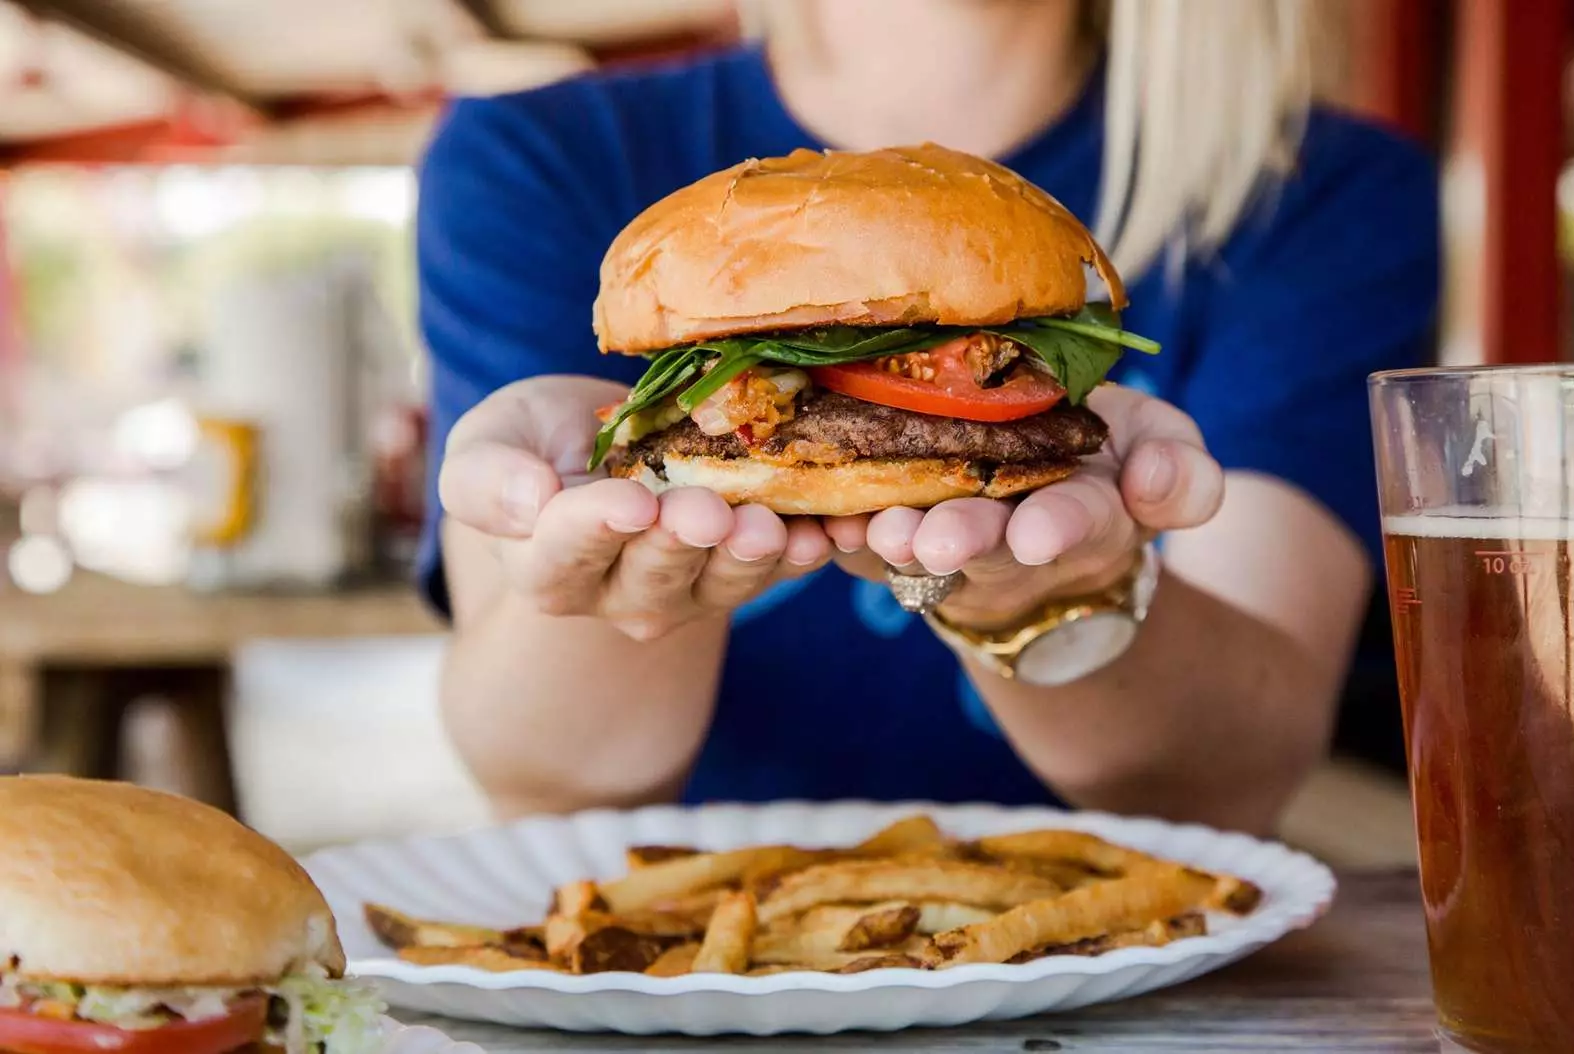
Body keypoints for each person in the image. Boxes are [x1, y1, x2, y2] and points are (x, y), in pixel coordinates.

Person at [417, 0, 1439, 834]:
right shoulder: (532, 157)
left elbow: (1229, 782)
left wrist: (1039, 605)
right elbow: (542, 785)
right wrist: (619, 539)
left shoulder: (1321, 195)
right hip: (667, 979)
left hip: (1119, 964)